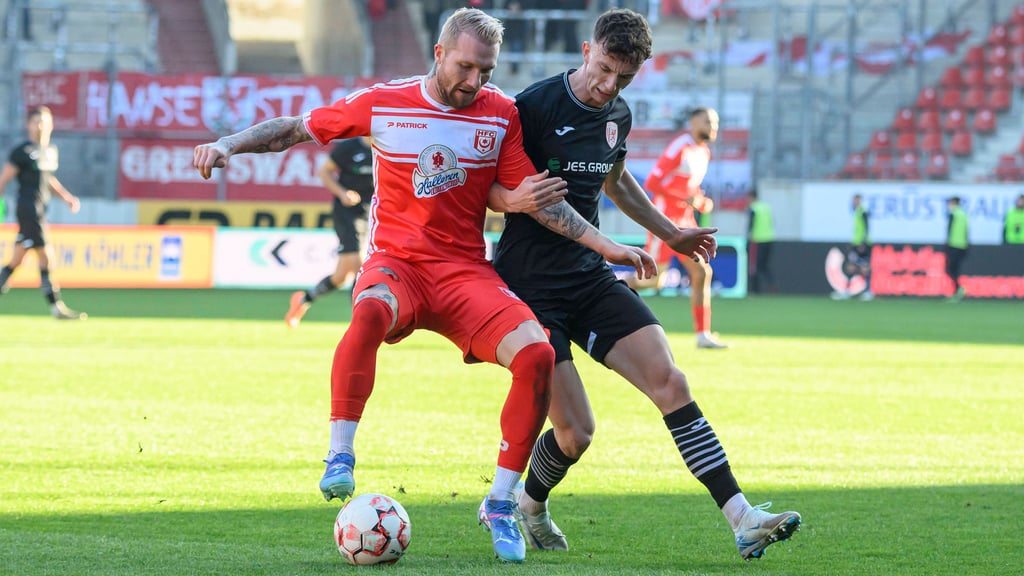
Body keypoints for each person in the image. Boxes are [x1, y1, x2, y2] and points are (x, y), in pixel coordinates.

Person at [193, 8, 653, 564]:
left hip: (465, 271)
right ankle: (340, 456)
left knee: (536, 352)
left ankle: (501, 504)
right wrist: (228, 143)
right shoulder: (385, 101)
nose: (474, 81)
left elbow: (526, 196)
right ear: (439, 54)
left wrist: (607, 245)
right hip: (398, 263)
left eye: (485, 70)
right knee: (366, 313)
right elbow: (296, 129)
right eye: (464, 67)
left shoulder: (502, 113)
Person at [489, 8, 801, 562]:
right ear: (587, 50)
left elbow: (617, 180)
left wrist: (671, 233)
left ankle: (743, 519)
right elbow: (526, 198)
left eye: (624, 78)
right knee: (576, 435)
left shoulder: (618, 114)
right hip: (529, 287)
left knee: (671, 381)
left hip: (586, 276)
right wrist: (608, 246)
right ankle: (529, 504)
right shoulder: (533, 108)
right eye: (605, 69)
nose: (609, 85)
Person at [644, 107, 729, 348]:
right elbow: (653, 182)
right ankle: (606, 288)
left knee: (702, 272)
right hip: (664, 220)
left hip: (685, 221)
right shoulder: (680, 146)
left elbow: (688, 188)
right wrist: (685, 197)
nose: (712, 127)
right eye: (707, 122)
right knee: (653, 281)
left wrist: (699, 201)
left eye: (715, 123)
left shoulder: (703, 151)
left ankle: (703, 336)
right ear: (692, 123)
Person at [0, 106, 86, 320]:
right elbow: (4, 179)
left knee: (16, 260)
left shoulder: (50, 151)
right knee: (46, 257)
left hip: (40, 210)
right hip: (28, 210)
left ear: (51, 125)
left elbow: (48, 181)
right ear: (28, 125)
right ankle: (57, 308)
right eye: (37, 122)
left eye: (45, 122)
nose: (41, 126)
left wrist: (67, 197)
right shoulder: (22, 152)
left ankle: (57, 309)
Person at [285, 136, 374, 329]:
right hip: (347, 213)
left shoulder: (386, 147)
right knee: (360, 266)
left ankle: (303, 300)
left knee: (342, 276)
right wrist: (342, 193)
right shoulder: (349, 147)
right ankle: (361, 324)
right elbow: (324, 172)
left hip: (371, 213)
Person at [831, 193, 873, 301]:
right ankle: (847, 290)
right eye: (854, 200)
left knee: (865, 267)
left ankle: (868, 291)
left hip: (863, 244)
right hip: (855, 243)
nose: (854, 202)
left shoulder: (863, 212)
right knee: (851, 266)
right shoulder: (856, 212)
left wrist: (863, 243)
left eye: (856, 200)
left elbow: (866, 228)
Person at [746, 187, 776, 294]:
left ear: (751, 197)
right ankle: (772, 287)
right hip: (769, 239)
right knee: (764, 266)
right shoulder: (766, 207)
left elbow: (751, 224)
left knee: (754, 266)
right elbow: (772, 222)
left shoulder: (753, 208)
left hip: (757, 240)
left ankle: (755, 291)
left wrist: (748, 238)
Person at [945, 195, 968, 302]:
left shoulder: (954, 214)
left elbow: (949, 230)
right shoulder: (963, 214)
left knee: (950, 269)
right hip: (962, 245)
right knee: (955, 269)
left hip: (954, 245)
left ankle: (958, 289)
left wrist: (947, 243)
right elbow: (966, 230)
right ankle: (957, 290)